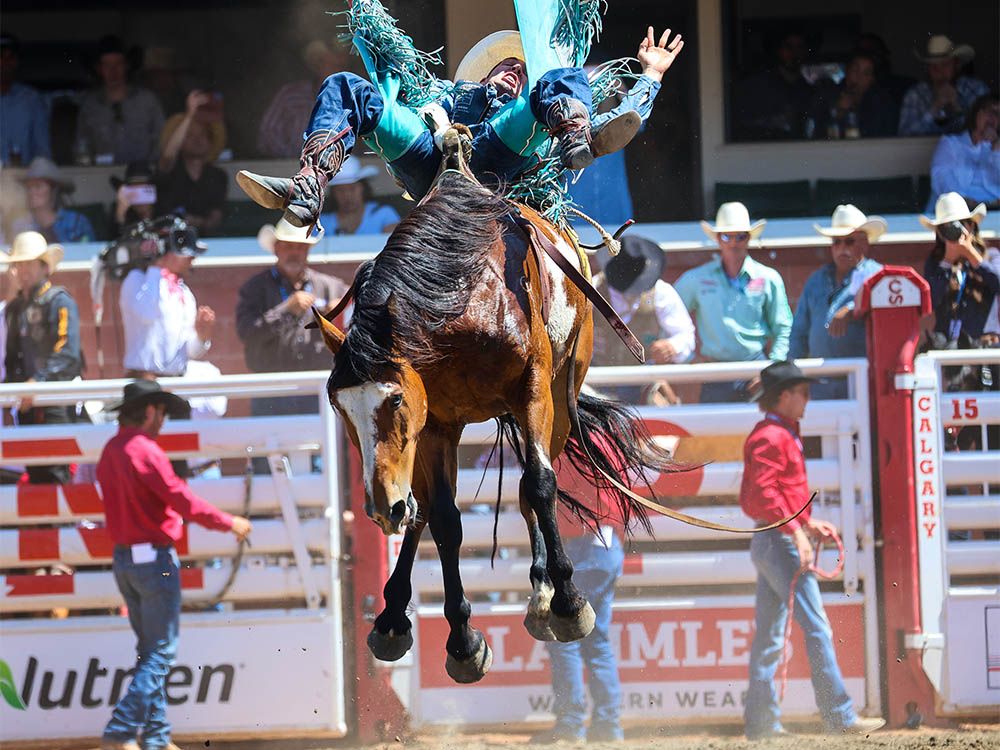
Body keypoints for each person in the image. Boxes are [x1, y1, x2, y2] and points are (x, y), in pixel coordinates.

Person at [237, 22, 683, 230]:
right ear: (484, 71)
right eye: (505, 65)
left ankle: (577, 141)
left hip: (496, 155)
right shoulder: (447, 91)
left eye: (519, 69)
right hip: (431, 157)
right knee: (345, 85)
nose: (513, 70)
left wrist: (650, 77)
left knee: (560, 79)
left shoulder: (529, 105)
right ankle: (308, 186)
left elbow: (615, 116)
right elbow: (399, 69)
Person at [97, 379, 251, 750]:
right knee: (161, 651)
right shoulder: (145, 452)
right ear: (149, 411)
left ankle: (157, 738)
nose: (163, 420)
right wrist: (228, 522)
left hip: (125, 559)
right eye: (162, 413)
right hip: (154, 561)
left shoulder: (110, 451)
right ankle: (120, 730)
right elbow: (180, 498)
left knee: (151, 649)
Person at [741, 360, 885, 740]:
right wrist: (797, 531)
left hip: (773, 539)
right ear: (784, 395)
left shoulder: (776, 433)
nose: (807, 399)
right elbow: (768, 494)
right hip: (780, 542)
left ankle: (760, 721)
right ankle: (838, 715)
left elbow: (771, 494)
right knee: (816, 627)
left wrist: (804, 525)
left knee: (771, 635)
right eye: (803, 392)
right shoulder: (775, 437)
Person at [674, 202, 793, 402]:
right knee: (716, 433)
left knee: (759, 432)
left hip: (756, 370)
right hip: (715, 372)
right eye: (727, 236)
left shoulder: (768, 278)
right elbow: (670, 313)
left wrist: (772, 369)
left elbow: (783, 327)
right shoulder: (697, 278)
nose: (734, 243)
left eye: (741, 236)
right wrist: (687, 358)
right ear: (718, 240)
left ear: (749, 239)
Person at [236, 218, 348, 410]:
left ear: (308, 251)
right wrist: (285, 310)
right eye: (288, 246)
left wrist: (342, 312)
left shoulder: (332, 287)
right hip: (271, 390)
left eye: (300, 247)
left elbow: (362, 321)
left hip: (320, 388)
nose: (295, 253)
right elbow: (247, 334)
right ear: (276, 249)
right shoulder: (255, 288)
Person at [3, 232, 82, 484]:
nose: (22, 269)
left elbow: (67, 353)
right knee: (35, 471)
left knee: (57, 472)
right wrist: (10, 398)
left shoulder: (59, 301)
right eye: (19, 264)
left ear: (44, 266)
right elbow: (12, 359)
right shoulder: (15, 309)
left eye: (29, 263)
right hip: (27, 404)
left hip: (55, 401)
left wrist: (36, 382)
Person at [789, 205, 885, 399]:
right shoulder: (816, 280)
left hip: (861, 382)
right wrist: (790, 373)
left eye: (849, 242)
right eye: (836, 242)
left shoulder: (877, 277)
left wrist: (851, 310)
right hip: (820, 383)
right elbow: (799, 332)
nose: (842, 248)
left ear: (864, 244)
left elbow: (885, 315)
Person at [592, 234, 693, 403]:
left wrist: (672, 347)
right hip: (599, 378)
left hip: (644, 378)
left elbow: (686, 335)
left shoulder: (660, 292)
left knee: (659, 406)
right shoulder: (593, 289)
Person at [120, 219, 214, 379]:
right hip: (143, 381)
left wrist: (202, 336)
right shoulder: (136, 279)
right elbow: (146, 313)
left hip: (175, 381)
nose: (192, 258)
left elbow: (191, 352)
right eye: (183, 250)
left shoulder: (184, 292)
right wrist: (156, 266)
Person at [920, 192, 999, 353]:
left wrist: (972, 255)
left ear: (971, 226)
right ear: (940, 233)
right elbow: (930, 302)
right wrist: (947, 261)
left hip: (983, 344)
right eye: (946, 227)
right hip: (947, 346)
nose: (954, 230)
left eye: (960, 223)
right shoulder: (935, 264)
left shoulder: (990, 256)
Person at [75, 35, 165, 164]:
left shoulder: (148, 101)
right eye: (107, 65)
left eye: (118, 64)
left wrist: (149, 169)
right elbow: (82, 148)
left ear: (126, 65)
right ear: (99, 69)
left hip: (142, 177)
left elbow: (162, 141)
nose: (113, 71)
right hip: (100, 178)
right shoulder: (90, 107)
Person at [257, 39, 354, 158]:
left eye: (343, 66)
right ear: (317, 64)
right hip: (290, 169)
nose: (339, 72)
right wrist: (296, 160)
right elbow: (269, 133)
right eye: (334, 65)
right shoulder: (291, 94)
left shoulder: (353, 99)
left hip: (342, 172)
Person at [156, 90, 228, 236]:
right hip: (171, 241)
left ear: (211, 141)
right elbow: (168, 156)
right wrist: (190, 115)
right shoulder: (170, 170)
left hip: (208, 243)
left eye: (202, 135)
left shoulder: (218, 176)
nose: (197, 140)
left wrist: (198, 222)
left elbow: (215, 218)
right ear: (180, 142)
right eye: (189, 135)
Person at [898, 35, 989, 137]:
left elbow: (986, 132)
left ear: (957, 65)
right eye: (933, 66)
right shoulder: (915, 94)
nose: (939, 71)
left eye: (945, 65)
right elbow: (904, 136)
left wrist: (956, 108)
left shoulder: (976, 89)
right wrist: (934, 109)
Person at [733, 30, 813, 141]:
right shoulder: (757, 86)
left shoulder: (809, 90)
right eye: (788, 47)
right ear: (779, 50)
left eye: (799, 47)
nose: (794, 53)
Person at [928, 94, 1000, 211]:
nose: (993, 117)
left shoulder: (997, 147)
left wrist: (996, 149)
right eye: (989, 111)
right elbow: (941, 178)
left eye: (998, 114)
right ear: (976, 114)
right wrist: (962, 200)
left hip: (994, 209)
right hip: (957, 210)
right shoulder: (950, 143)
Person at [808, 51, 897, 139]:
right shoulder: (825, 97)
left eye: (866, 73)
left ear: (872, 79)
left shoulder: (882, 102)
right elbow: (814, 134)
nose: (859, 76)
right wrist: (838, 113)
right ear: (847, 71)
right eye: (855, 69)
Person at [11, 157, 96, 243]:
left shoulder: (77, 222)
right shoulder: (20, 226)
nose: (31, 192)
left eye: (38, 186)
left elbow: (88, 252)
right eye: (28, 187)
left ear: (53, 191)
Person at [0, 34, 51, 166]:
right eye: (0, 56)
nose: (5, 62)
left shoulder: (32, 99)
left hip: (23, 180)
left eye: (10, 57)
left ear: (16, 61)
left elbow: (42, 152)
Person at [317, 158, 400, 235]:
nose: (347, 195)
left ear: (363, 188)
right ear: (333, 194)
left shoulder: (383, 214)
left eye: (352, 188)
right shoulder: (321, 224)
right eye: (340, 190)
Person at [109, 161, 158, 238]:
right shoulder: (121, 213)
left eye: (144, 192)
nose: (140, 198)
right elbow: (114, 243)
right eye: (134, 193)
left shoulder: (164, 212)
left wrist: (147, 215)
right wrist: (120, 216)